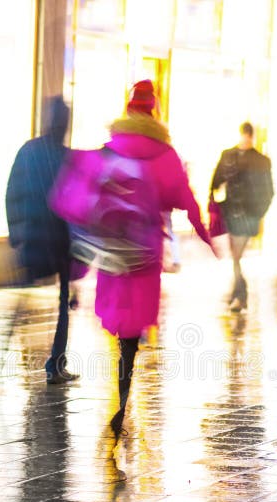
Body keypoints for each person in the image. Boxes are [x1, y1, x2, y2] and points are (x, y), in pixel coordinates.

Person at [96, 80, 214, 442]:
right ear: (154, 113)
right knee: (135, 322)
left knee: (118, 318)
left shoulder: (109, 150)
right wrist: (202, 230)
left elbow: (89, 190)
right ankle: (125, 380)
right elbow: (183, 195)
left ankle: (123, 357)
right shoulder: (164, 153)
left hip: (113, 246)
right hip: (145, 248)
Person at [6, 96, 78, 385]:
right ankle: (56, 363)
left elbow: (12, 193)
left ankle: (3, 353)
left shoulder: (29, 151)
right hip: (59, 239)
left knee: (26, 298)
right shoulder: (66, 157)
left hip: (35, 237)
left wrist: (16, 233)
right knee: (62, 301)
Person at [210, 122, 273, 311]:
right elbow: (216, 181)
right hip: (232, 213)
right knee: (235, 256)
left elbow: (268, 191)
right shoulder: (228, 155)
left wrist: (259, 212)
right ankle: (238, 294)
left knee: (236, 256)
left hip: (248, 215)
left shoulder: (261, 160)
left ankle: (240, 294)